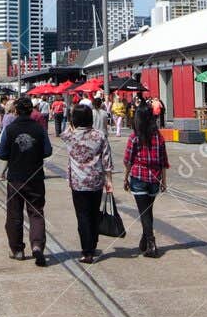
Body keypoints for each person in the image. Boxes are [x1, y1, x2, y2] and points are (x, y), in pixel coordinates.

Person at [0, 98, 53, 266]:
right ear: (31, 110)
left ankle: (17, 250)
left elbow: (2, 154)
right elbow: (47, 151)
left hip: (15, 178)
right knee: (36, 213)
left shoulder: (9, 129)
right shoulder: (39, 129)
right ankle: (37, 245)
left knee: (14, 214)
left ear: (16, 111)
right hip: (35, 177)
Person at [65, 104, 114, 263]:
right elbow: (107, 159)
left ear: (74, 119)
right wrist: (109, 180)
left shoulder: (69, 136)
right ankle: (92, 243)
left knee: (82, 216)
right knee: (94, 213)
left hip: (78, 182)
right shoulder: (99, 135)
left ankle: (87, 251)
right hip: (96, 180)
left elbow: (65, 131)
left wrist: (72, 124)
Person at [123, 104, 168, 257]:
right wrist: (164, 181)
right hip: (155, 178)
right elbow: (163, 161)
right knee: (148, 211)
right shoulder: (158, 136)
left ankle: (151, 242)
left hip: (139, 177)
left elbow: (128, 160)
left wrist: (125, 178)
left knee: (144, 212)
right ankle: (144, 241)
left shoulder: (134, 137)